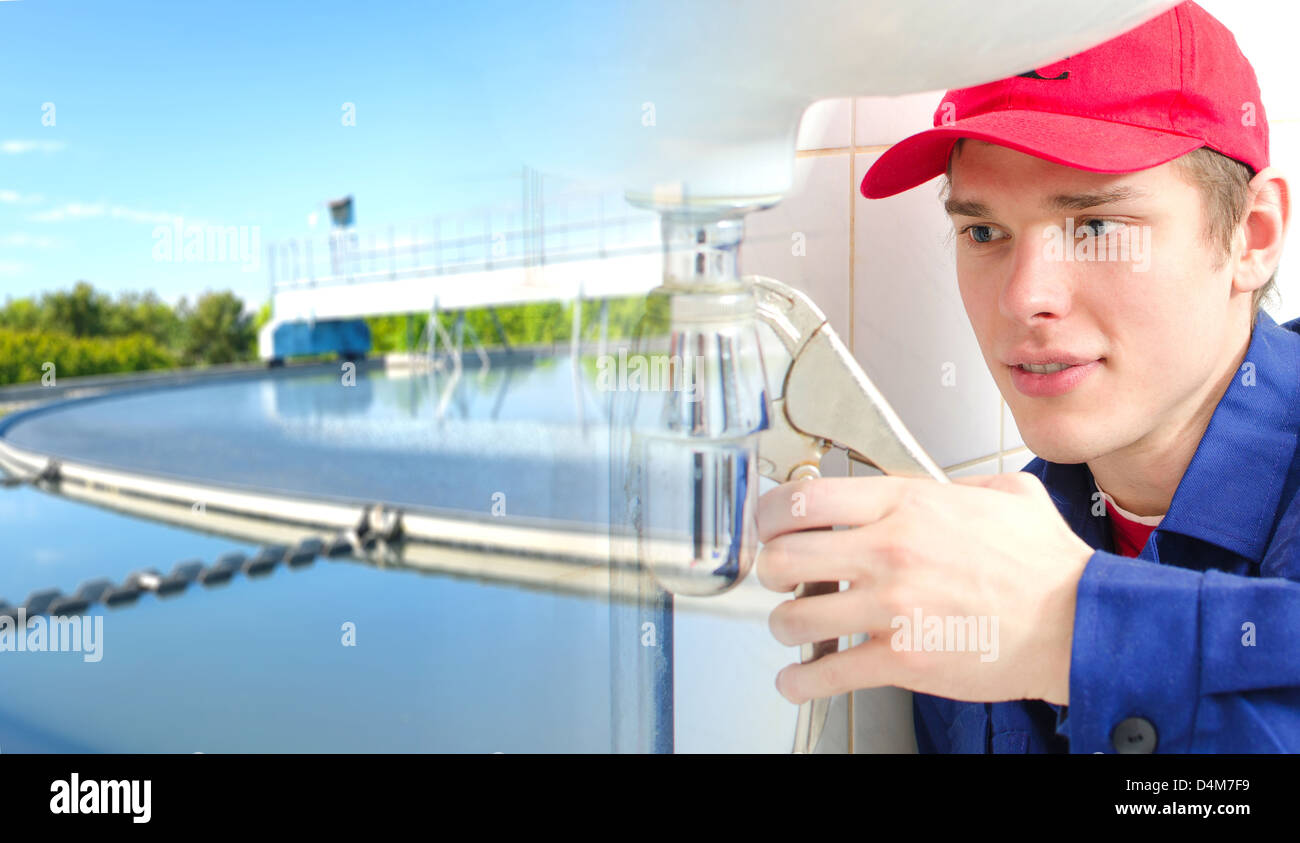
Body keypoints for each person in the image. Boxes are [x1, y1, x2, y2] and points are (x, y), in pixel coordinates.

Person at [754, 0, 1297, 752]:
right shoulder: (991, 563)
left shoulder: (1024, 596)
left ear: (1253, 235)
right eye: (983, 231)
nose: (1022, 296)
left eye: (1097, 227)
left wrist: (1068, 628)